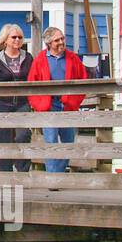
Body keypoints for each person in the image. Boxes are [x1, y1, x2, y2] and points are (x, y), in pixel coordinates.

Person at [27, 28, 88, 172]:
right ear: (48, 43)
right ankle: (53, 178)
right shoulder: (40, 59)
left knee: (69, 144)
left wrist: (75, 101)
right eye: (57, 40)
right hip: (49, 106)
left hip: (67, 106)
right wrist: (38, 105)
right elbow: (31, 84)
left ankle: (57, 173)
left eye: (62, 38)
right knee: (51, 142)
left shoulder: (72, 58)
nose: (61, 42)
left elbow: (84, 80)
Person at [0, 24, 33, 171]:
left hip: (23, 103)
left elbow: (34, 79)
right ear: (6, 39)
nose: (17, 40)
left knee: (23, 136)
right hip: (1, 104)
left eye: (20, 37)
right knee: (3, 139)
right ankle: (5, 173)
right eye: (14, 37)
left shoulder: (28, 57)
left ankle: (22, 171)